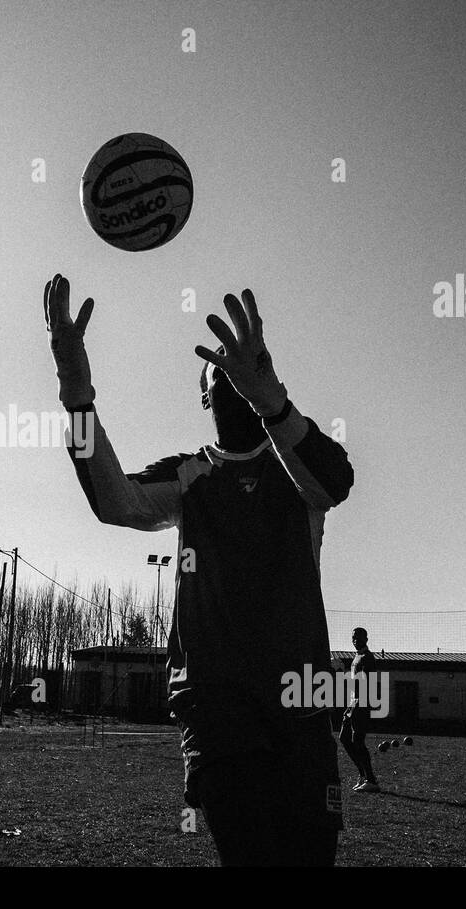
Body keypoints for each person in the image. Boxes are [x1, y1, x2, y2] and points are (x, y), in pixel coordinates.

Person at [45, 273, 354, 865]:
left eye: (245, 370)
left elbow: (337, 481)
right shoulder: (190, 476)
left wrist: (275, 404)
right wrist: (77, 396)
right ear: (205, 397)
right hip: (217, 707)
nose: (232, 379)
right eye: (220, 374)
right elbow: (115, 501)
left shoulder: (298, 468)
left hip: (303, 702)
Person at [339, 627, 380, 792]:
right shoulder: (357, 657)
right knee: (344, 738)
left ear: (366, 639)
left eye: (358, 638)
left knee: (358, 741)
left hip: (361, 704)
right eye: (353, 638)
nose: (355, 640)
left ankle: (371, 780)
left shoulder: (367, 658)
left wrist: (342, 673)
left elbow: (364, 684)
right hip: (353, 704)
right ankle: (363, 775)